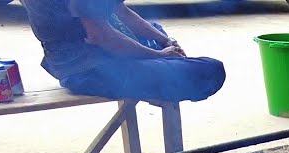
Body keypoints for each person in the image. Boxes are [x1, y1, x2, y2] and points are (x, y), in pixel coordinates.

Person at [22, 0, 225, 103]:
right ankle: (164, 68)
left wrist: (165, 41)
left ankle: (162, 64)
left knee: (155, 28)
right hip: (89, 72)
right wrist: (160, 55)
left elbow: (121, 12)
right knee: (210, 70)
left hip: (73, 61)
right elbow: (101, 36)